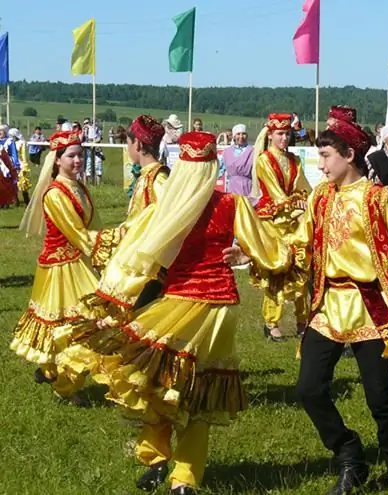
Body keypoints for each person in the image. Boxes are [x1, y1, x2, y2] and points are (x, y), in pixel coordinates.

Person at [59, 131, 296, 495]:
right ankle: (183, 478)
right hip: (219, 308)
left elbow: (134, 255)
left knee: (158, 382)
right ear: (214, 165)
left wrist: (112, 298)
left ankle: (157, 462)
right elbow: (273, 252)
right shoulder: (232, 204)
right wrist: (250, 256)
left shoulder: (165, 206)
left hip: (181, 302)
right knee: (197, 391)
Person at [239, 112, 388, 494]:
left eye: (327, 155)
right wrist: (255, 254)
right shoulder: (319, 197)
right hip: (327, 305)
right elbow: (297, 243)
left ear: (349, 155)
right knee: (309, 389)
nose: (320, 164)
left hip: (368, 306)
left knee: (379, 396)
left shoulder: (377, 199)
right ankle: (349, 456)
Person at [10, 131, 105, 407]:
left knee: (76, 325)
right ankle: (64, 385)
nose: (77, 160)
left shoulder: (80, 188)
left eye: (80, 154)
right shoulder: (55, 194)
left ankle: (51, 372)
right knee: (83, 325)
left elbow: (94, 226)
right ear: (57, 160)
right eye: (71, 156)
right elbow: (77, 234)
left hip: (80, 262)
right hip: (61, 268)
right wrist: (113, 244)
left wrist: (108, 249)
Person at [89, 115, 169, 308]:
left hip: (148, 267)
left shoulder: (157, 179)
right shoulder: (146, 176)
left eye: (128, 142)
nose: (127, 147)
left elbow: (163, 222)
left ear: (138, 145)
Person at [251, 113, 312, 341]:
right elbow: (275, 192)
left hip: (295, 219)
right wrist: (293, 204)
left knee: (301, 268)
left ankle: (302, 321)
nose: (284, 138)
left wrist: (305, 202)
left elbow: (303, 187)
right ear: (271, 135)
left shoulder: (295, 160)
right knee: (276, 270)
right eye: (280, 134)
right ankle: (271, 322)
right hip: (274, 220)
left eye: (287, 134)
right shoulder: (264, 160)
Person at [221, 124, 254, 198]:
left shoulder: (253, 151)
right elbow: (219, 170)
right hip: (232, 188)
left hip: (247, 188)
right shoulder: (227, 152)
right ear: (234, 136)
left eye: (243, 134)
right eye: (238, 134)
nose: (241, 137)